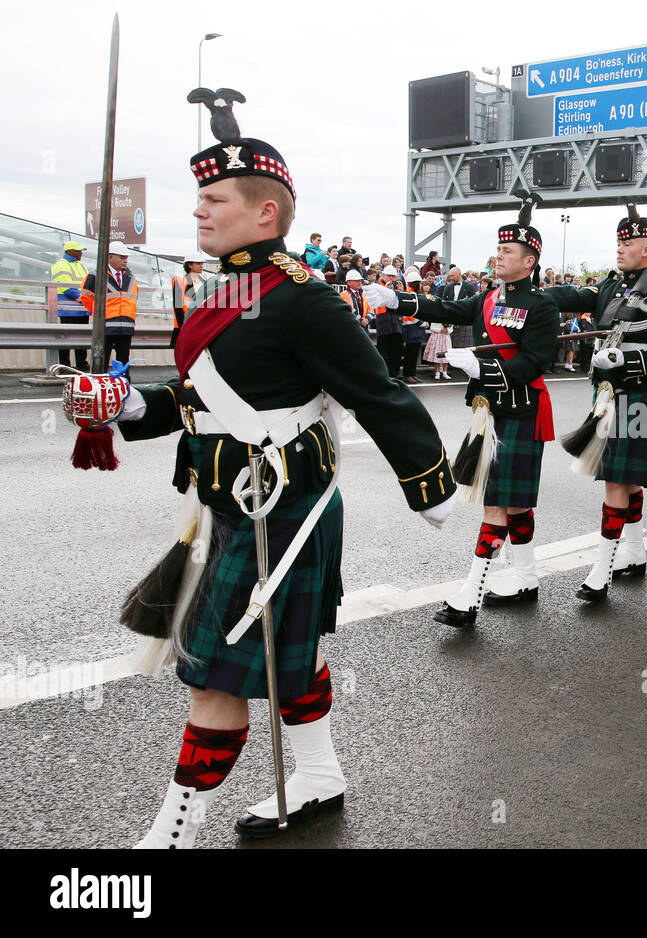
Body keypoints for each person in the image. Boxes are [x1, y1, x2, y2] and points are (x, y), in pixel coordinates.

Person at [98, 112, 456, 848]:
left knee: (213, 676)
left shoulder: (303, 296)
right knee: (292, 658)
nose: (198, 209)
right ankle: (320, 776)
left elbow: (376, 389)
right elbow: (201, 402)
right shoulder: (222, 292)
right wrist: (130, 404)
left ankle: (171, 836)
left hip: (282, 508)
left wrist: (428, 480)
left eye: (215, 199)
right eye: (198, 199)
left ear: (266, 212)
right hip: (227, 505)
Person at [366, 195, 558, 621]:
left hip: (522, 409)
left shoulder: (541, 305)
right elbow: (448, 308)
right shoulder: (490, 297)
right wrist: (401, 300)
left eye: (508, 251)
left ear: (529, 262)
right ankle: (526, 578)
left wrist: (481, 367)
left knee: (499, 502)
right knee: (513, 503)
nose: (499, 256)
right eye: (499, 249)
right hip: (491, 410)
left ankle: (471, 593)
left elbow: (534, 362)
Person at [543, 205, 647, 602]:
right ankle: (634, 551)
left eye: (629, 242)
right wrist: (535, 291)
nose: (620, 248)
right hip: (607, 395)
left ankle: (603, 565)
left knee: (616, 479)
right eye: (619, 241)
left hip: (640, 393)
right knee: (624, 477)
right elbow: (572, 295)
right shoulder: (609, 287)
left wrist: (629, 359)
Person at [79, 241, 138, 380]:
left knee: (123, 360)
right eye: (122, 257)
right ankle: (100, 387)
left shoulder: (130, 277)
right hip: (105, 325)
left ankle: (123, 387)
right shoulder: (96, 275)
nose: (125, 260)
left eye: (126, 257)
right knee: (102, 360)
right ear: (110, 257)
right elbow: (86, 297)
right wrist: (99, 314)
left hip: (126, 326)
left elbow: (133, 298)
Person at [50, 240, 90, 370]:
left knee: (82, 338)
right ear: (69, 251)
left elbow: (88, 285)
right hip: (68, 309)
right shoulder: (60, 265)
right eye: (78, 251)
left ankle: (82, 364)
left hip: (82, 309)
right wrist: (84, 299)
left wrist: (86, 300)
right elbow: (66, 287)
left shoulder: (82, 266)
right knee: (66, 338)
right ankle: (64, 365)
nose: (81, 253)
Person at [370, 265, 404, 378]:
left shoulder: (397, 287)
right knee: (383, 349)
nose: (392, 278)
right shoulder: (377, 286)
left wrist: (401, 291)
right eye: (389, 276)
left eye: (393, 276)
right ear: (384, 275)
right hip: (383, 319)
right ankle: (384, 374)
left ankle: (394, 373)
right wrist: (387, 288)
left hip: (396, 319)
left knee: (396, 349)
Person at [170, 255, 209, 349]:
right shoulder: (180, 280)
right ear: (190, 265)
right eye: (198, 263)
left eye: (202, 263)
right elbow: (177, 305)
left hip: (200, 323)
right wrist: (182, 326)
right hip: (185, 323)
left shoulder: (205, 282)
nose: (201, 265)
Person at [399, 267, 428, 384]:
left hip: (414, 328)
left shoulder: (414, 293)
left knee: (414, 353)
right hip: (411, 328)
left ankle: (412, 374)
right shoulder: (410, 294)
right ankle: (408, 374)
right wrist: (421, 322)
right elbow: (410, 313)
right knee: (410, 353)